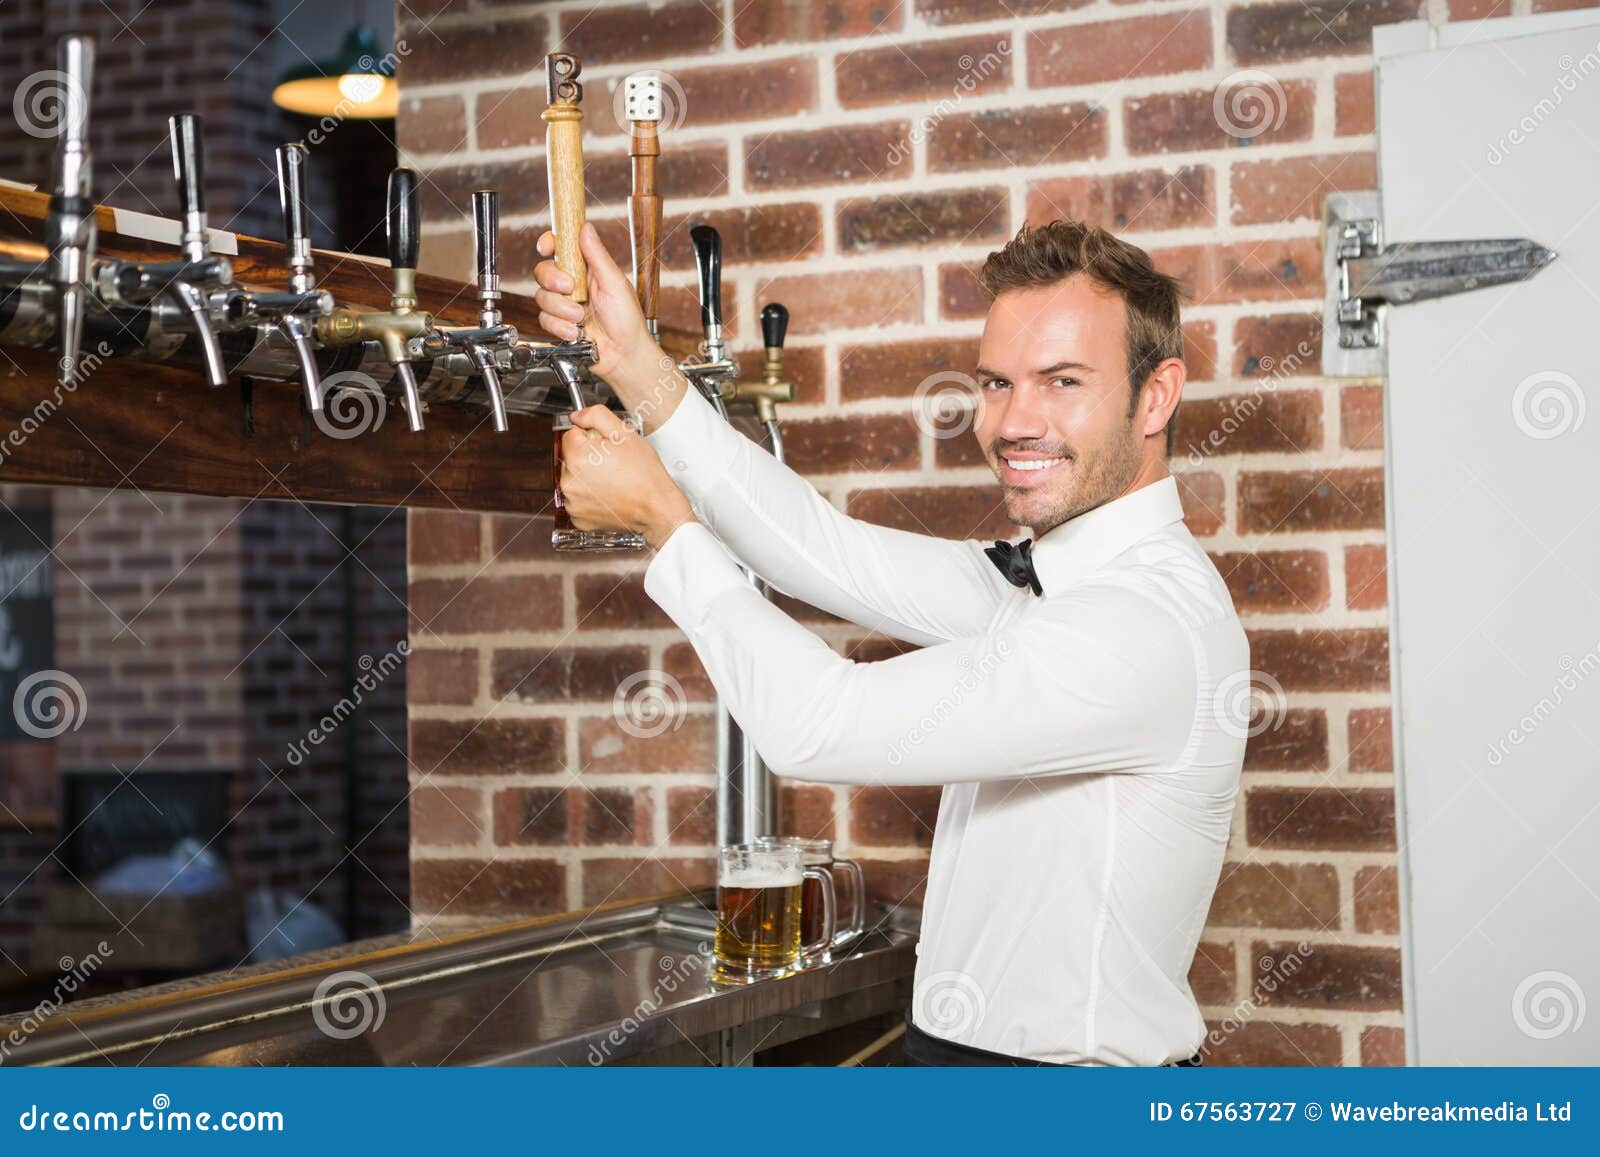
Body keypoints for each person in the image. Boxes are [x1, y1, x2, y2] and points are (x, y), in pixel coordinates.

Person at [531, 218, 1248, 1067]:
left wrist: (665, 525)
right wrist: (635, 365)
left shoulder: (1141, 621)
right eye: (996, 382)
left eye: (1062, 381)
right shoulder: (1051, 578)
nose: (1016, 422)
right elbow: (820, 547)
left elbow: (819, 722)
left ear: (1156, 394)